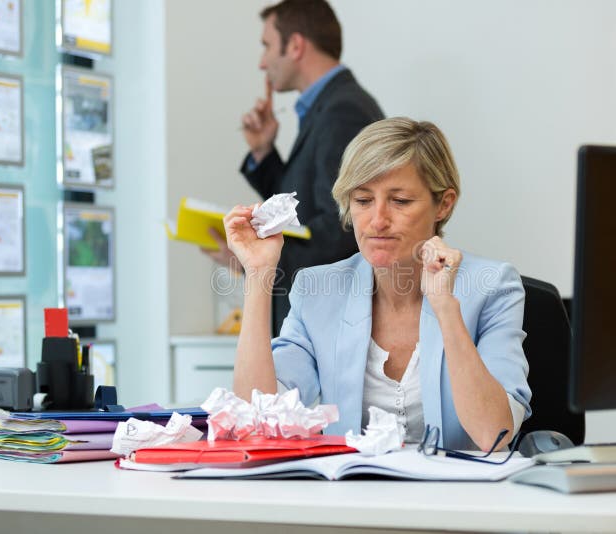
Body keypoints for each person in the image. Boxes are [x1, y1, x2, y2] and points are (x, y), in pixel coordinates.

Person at [226, 117, 531, 452]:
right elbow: (256, 415)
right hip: (356, 496)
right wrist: (257, 274)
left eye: (400, 201)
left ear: (443, 204)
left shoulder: (493, 287)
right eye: (362, 200)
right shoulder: (317, 291)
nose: (378, 220)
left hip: (457, 497)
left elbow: (494, 435)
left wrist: (444, 307)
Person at [204, 0, 384, 336]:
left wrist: (258, 261)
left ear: (296, 45)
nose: (262, 62)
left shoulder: (342, 111)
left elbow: (343, 228)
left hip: (327, 325)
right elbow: (308, 207)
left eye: (267, 46)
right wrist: (264, 153)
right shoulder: (329, 107)